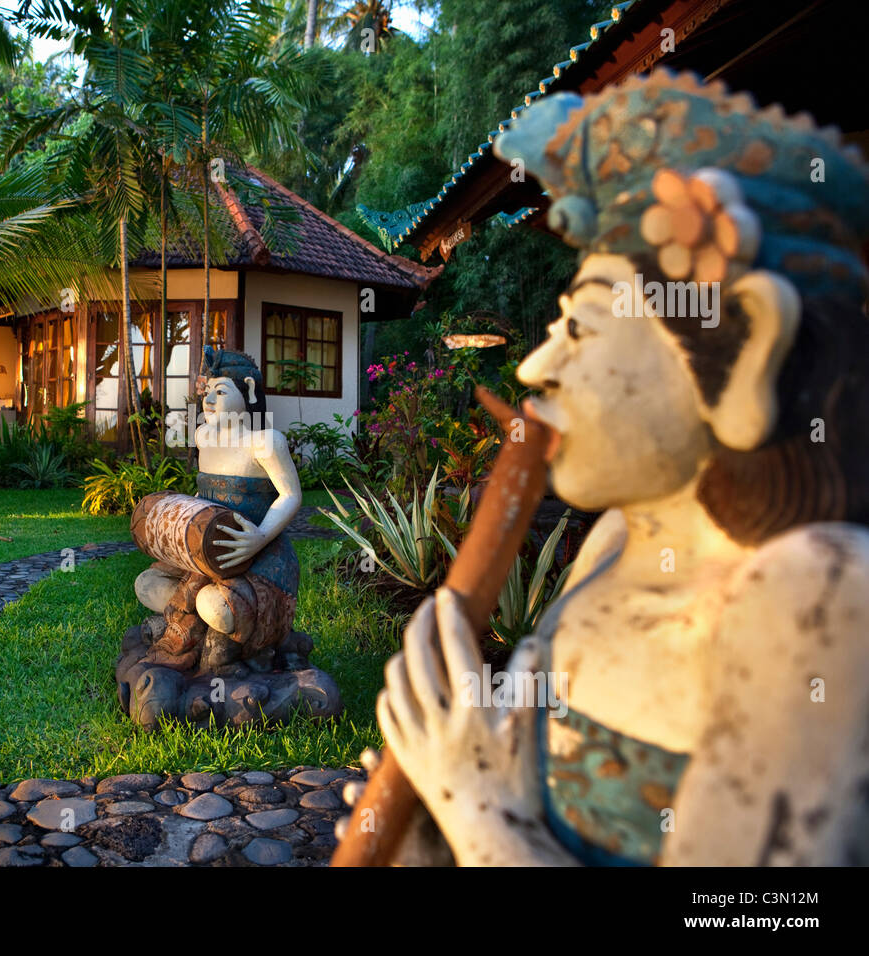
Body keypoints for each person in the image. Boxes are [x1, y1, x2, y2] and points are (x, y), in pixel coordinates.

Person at [343, 69, 869, 865]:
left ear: (752, 346)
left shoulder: (819, 594)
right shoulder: (617, 541)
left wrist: (475, 804)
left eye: (582, 331)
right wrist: (432, 828)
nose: (534, 370)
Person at [133, 347, 303, 672]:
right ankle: (201, 631)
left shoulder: (265, 442)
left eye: (221, 391)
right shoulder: (204, 437)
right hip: (207, 554)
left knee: (213, 605)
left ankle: (235, 638)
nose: (209, 400)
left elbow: (291, 496)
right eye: (207, 391)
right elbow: (203, 495)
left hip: (257, 557)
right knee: (146, 584)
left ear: (249, 391)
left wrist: (261, 536)